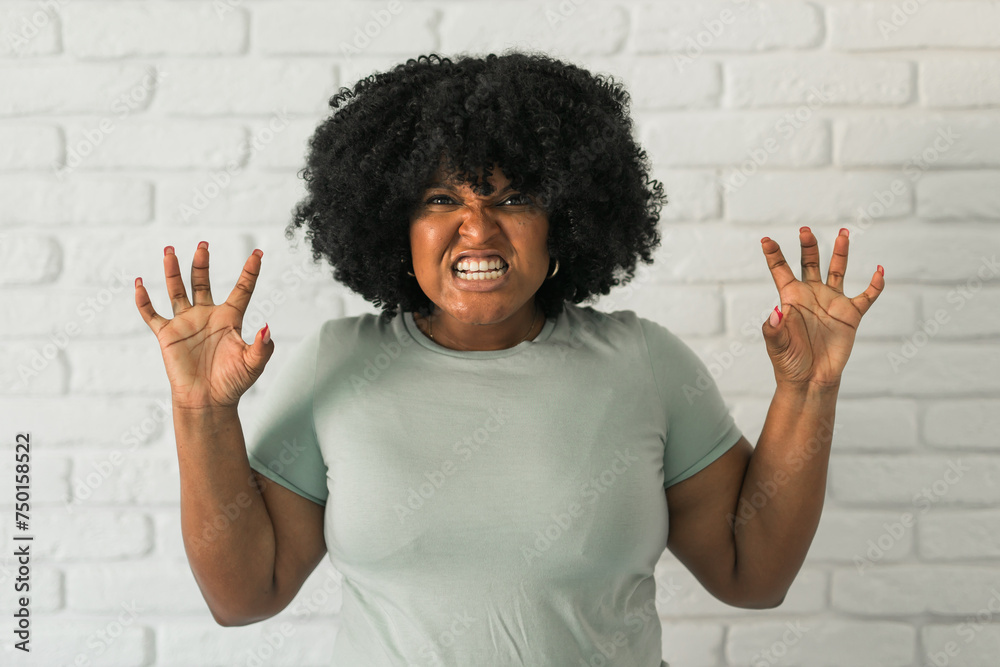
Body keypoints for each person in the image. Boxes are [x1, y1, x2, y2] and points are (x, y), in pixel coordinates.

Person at [134, 50, 884, 666]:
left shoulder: (644, 364)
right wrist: (202, 410)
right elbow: (242, 597)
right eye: (439, 199)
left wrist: (808, 389)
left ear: (566, 219)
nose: (477, 228)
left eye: (512, 197)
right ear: (394, 222)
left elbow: (753, 574)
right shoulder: (339, 366)